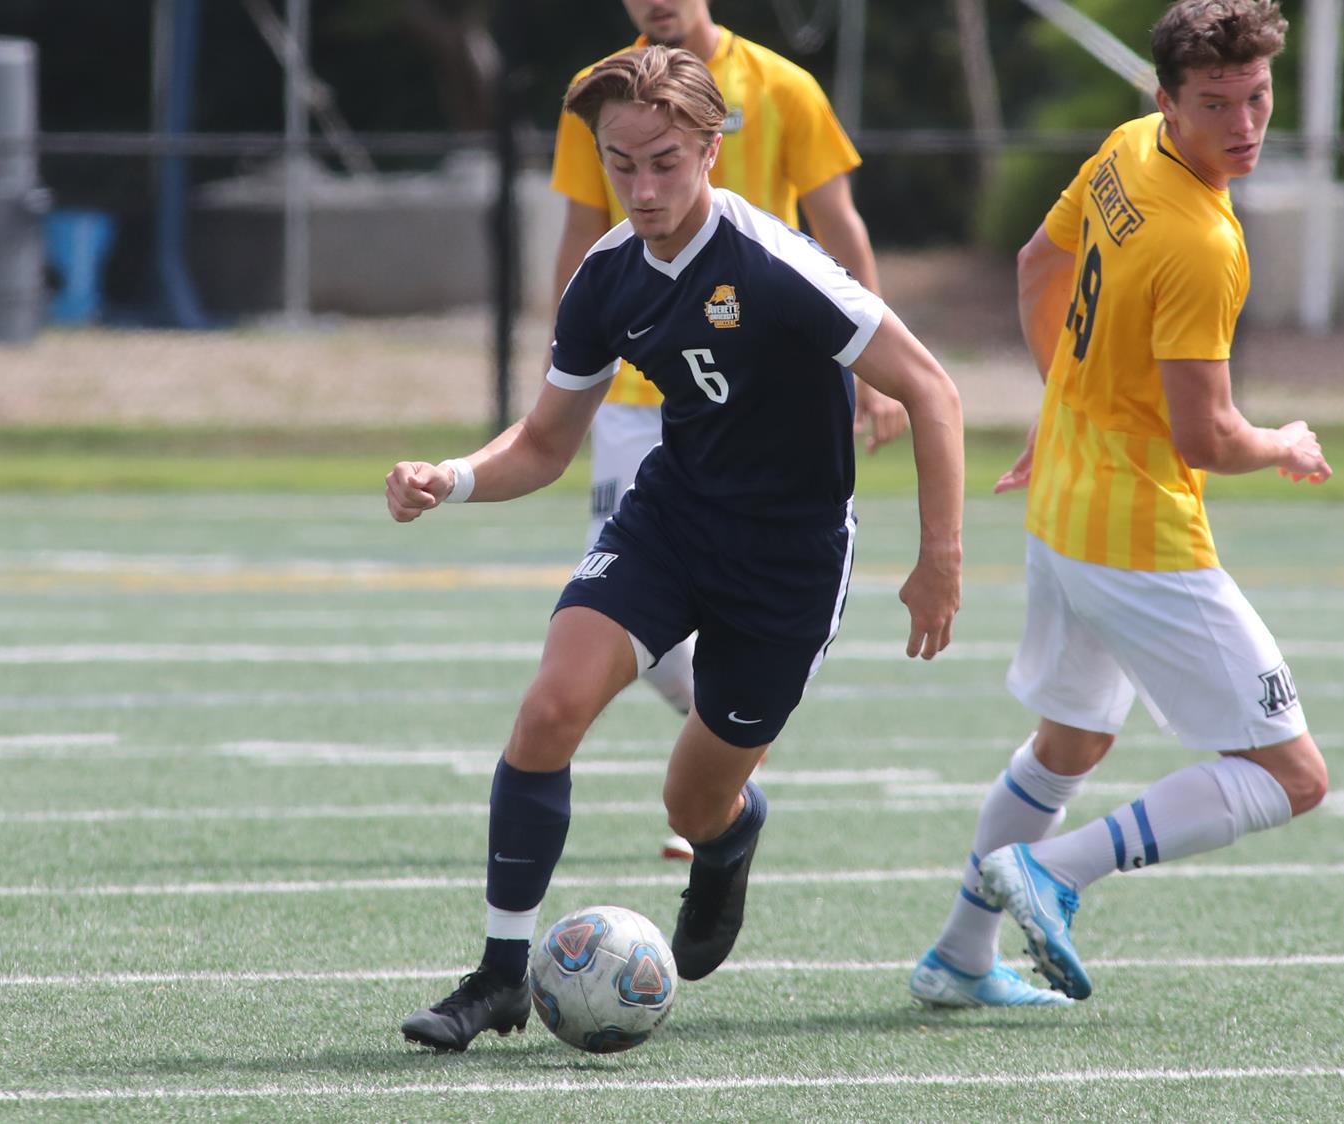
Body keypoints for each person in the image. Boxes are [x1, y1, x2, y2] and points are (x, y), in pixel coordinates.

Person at [392, 45, 966, 1053]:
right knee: (549, 705)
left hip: (787, 557)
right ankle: (496, 975)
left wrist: (939, 559)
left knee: (692, 795)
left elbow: (932, 390)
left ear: (709, 147)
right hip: (671, 519)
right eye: (621, 164)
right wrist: (455, 476)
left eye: (663, 160)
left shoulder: (773, 265)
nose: (643, 187)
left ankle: (728, 835)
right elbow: (542, 443)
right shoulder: (605, 278)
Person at [912, 0, 1332, 1008]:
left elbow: (1035, 268)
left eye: (1257, 96)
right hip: (1136, 537)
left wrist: (1068, 399)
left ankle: (958, 958)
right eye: (1214, 102)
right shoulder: (1200, 240)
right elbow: (1207, 435)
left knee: (1070, 742)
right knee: (1291, 775)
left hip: (1061, 508)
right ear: (1166, 99)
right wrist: (1285, 441)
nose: (1242, 124)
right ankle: (1057, 871)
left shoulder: (1125, 147)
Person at [550, 0, 908, 773]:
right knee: (610, 610)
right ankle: (723, 758)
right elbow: (582, 231)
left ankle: (720, 770)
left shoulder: (783, 87)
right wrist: (565, 362)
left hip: (756, 393)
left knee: (731, 606)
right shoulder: (599, 94)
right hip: (639, 399)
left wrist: (875, 380)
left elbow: (837, 223)